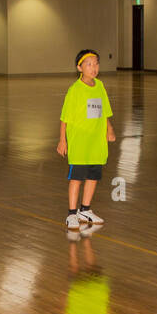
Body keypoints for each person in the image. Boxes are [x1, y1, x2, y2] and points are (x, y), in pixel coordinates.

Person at [57, 49, 114, 230]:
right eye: (89, 64)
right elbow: (64, 117)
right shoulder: (75, 90)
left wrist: (109, 129)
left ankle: (85, 210)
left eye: (96, 63)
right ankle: (71, 214)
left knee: (93, 177)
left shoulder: (100, 86)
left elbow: (104, 112)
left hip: (96, 142)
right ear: (79, 67)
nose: (94, 68)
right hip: (80, 143)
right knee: (77, 179)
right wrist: (62, 140)